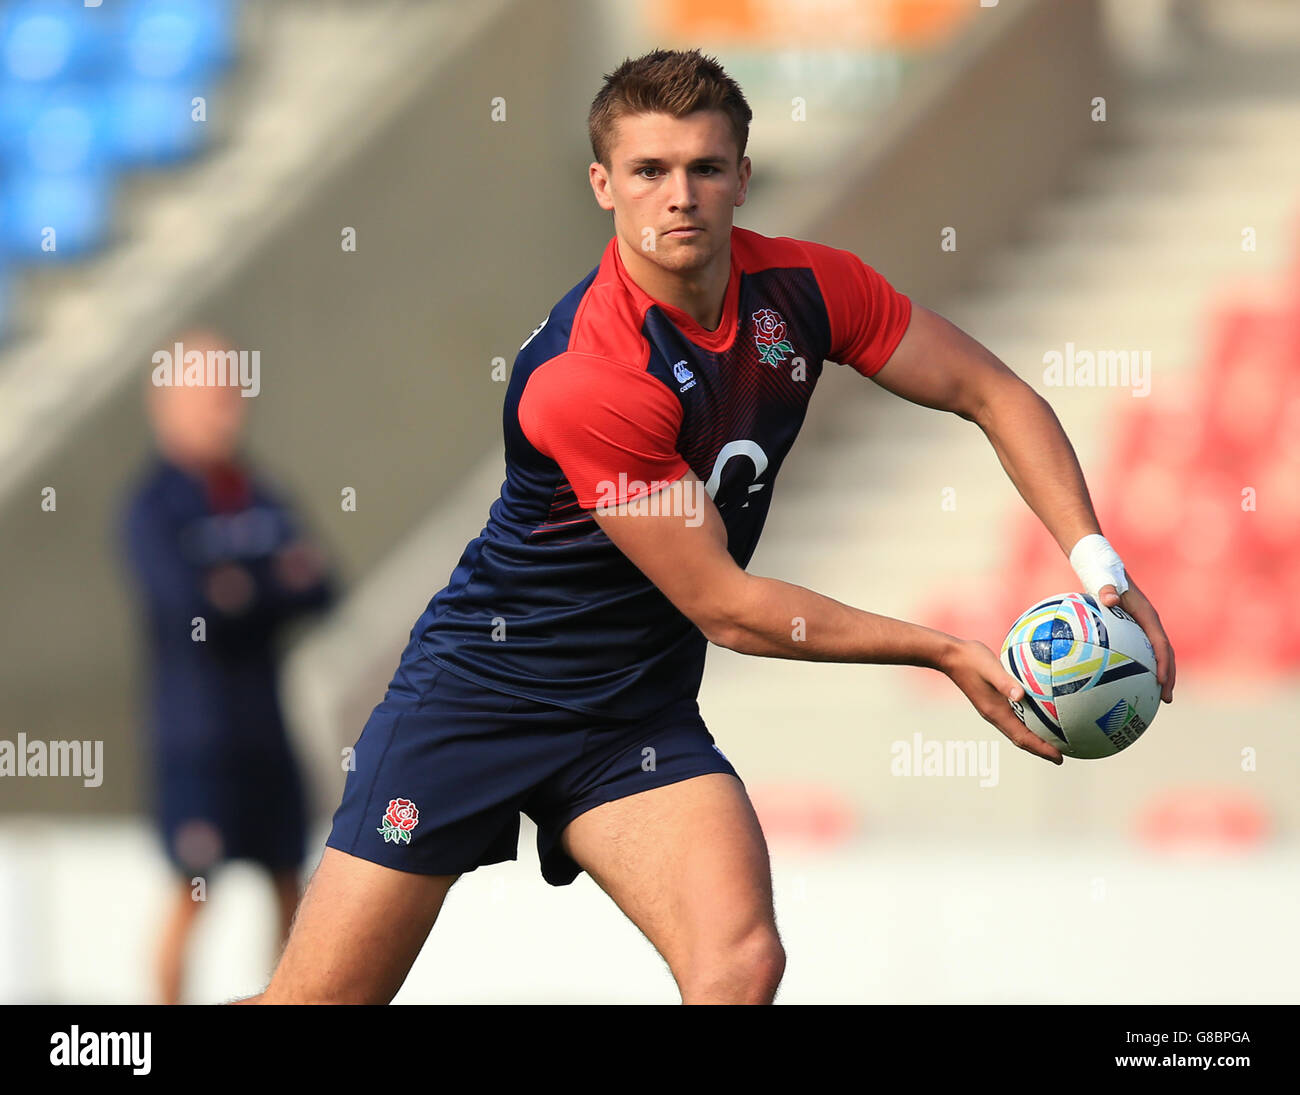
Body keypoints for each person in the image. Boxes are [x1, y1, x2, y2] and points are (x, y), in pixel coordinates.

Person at [246, 49, 1175, 1005]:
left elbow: (991, 391)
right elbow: (728, 608)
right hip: (481, 696)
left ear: (741, 173)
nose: (679, 195)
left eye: (704, 167)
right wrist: (940, 649)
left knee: (740, 963)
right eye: (649, 171)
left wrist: (1097, 563)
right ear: (603, 184)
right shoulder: (591, 372)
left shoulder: (809, 291)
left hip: (632, 715)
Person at [121, 330, 335, 1005]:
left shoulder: (257, 489)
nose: (226, 411)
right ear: (169, 403)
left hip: (266, 731)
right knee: (193, 890)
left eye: (232, 394)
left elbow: (321, 582)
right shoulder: (153, 503)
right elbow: (189, 602)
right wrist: (264, 583)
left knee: (290, 891)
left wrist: (242, 587)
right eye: (210, 395)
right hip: (196, 738)